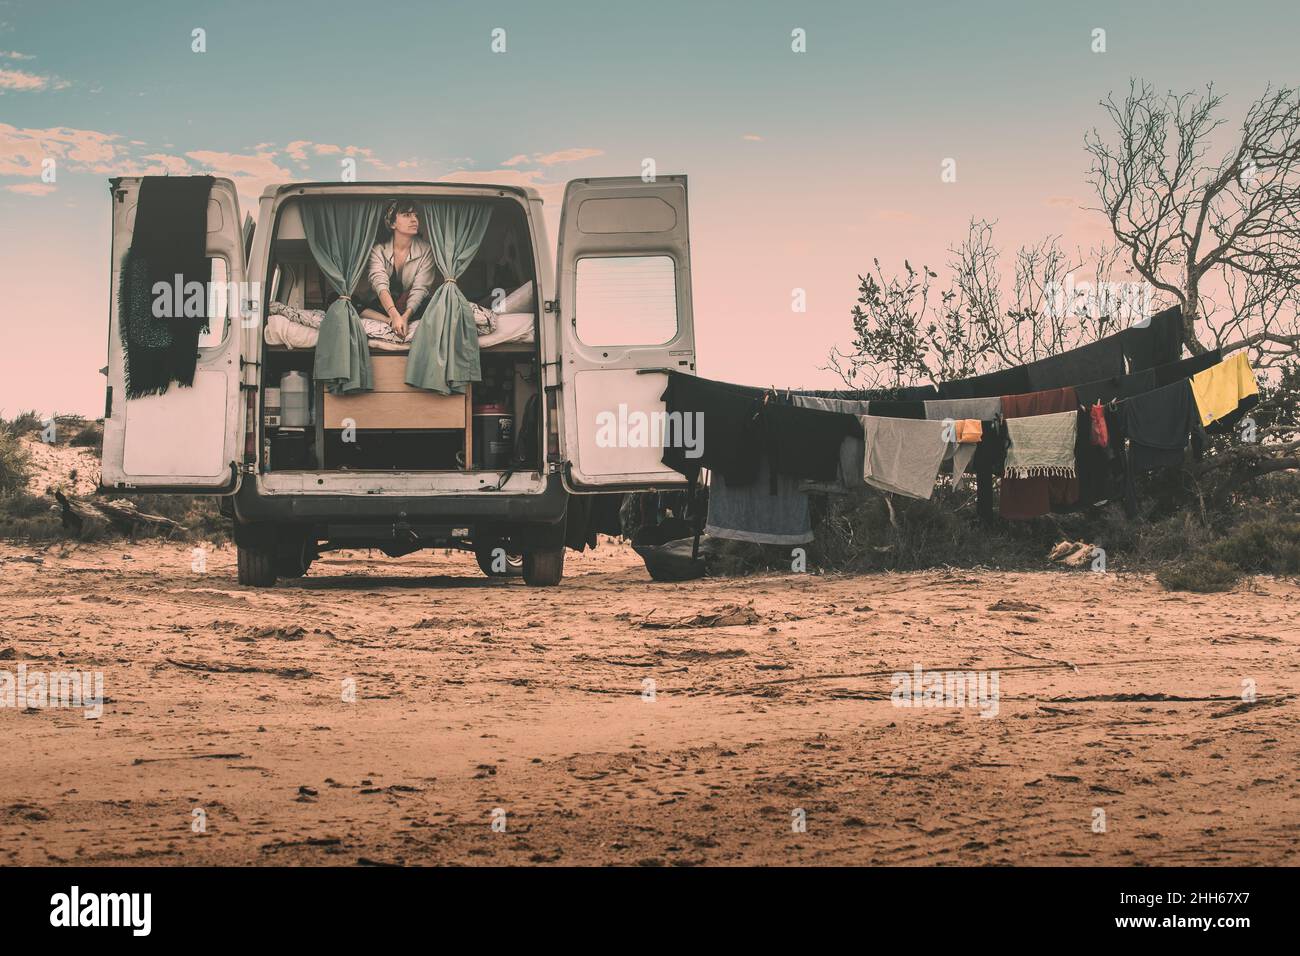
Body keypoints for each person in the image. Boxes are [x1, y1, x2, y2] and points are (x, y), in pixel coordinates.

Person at [359, 200, 435, 338]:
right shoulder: (378, 250)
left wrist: (405, 317)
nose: (414, 220)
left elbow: (421, 288)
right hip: (383, 307)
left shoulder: (426, 250)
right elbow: (379, 284)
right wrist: (393, 317)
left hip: (412, 307)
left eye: (415, 215)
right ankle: (389, 321)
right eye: (406, 215)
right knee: (341, 300)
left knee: (438, 304)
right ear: (392, 223)